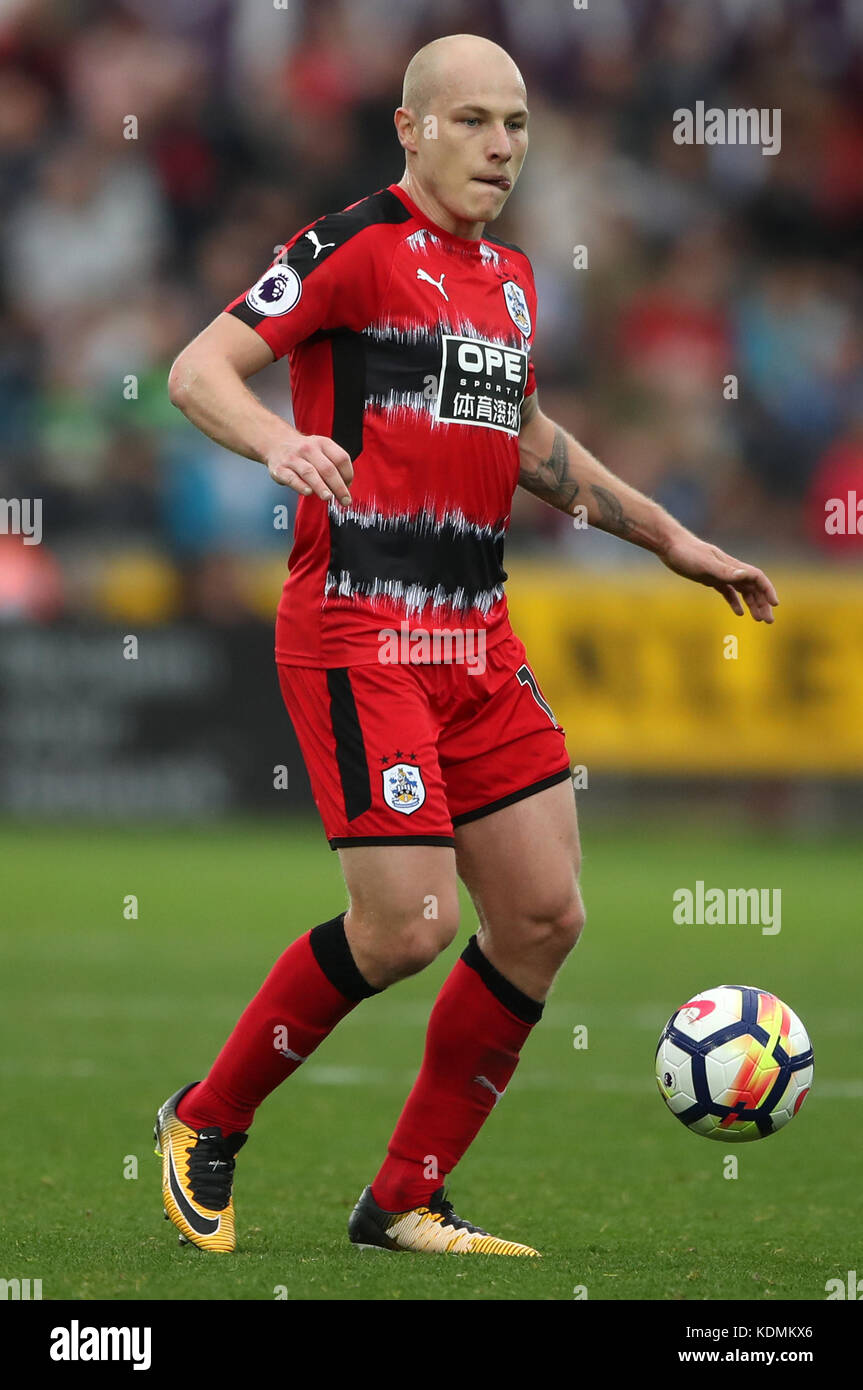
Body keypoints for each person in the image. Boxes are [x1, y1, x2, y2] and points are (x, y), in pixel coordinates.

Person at [155, 33, 778, 1257]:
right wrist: (274, 444)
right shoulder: (347, 248)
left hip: (475, 638)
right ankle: (200, 1118)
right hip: (359, 629)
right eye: (474, 121)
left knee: (543, 915)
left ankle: (402, 1199)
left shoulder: (508, 278)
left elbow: (532, 437)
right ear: (410, 128)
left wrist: (670, 537)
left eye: (517, 124)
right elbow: (195, 370)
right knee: (406, 926)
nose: (501, 146)